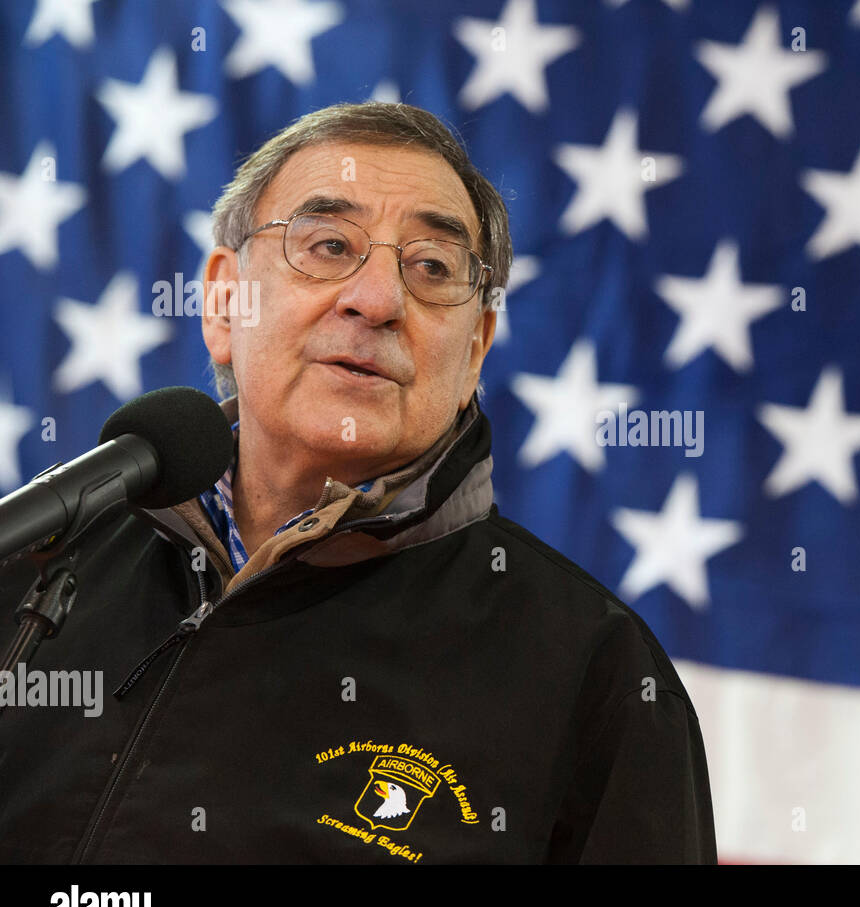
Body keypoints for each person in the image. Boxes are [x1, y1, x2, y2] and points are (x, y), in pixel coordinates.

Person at [0, 102, 717, 864]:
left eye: (432, 267)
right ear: (222, 301)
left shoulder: (598, 676)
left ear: (476, 346)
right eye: (330, 244)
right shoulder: (35, 557)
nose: (376, 300)